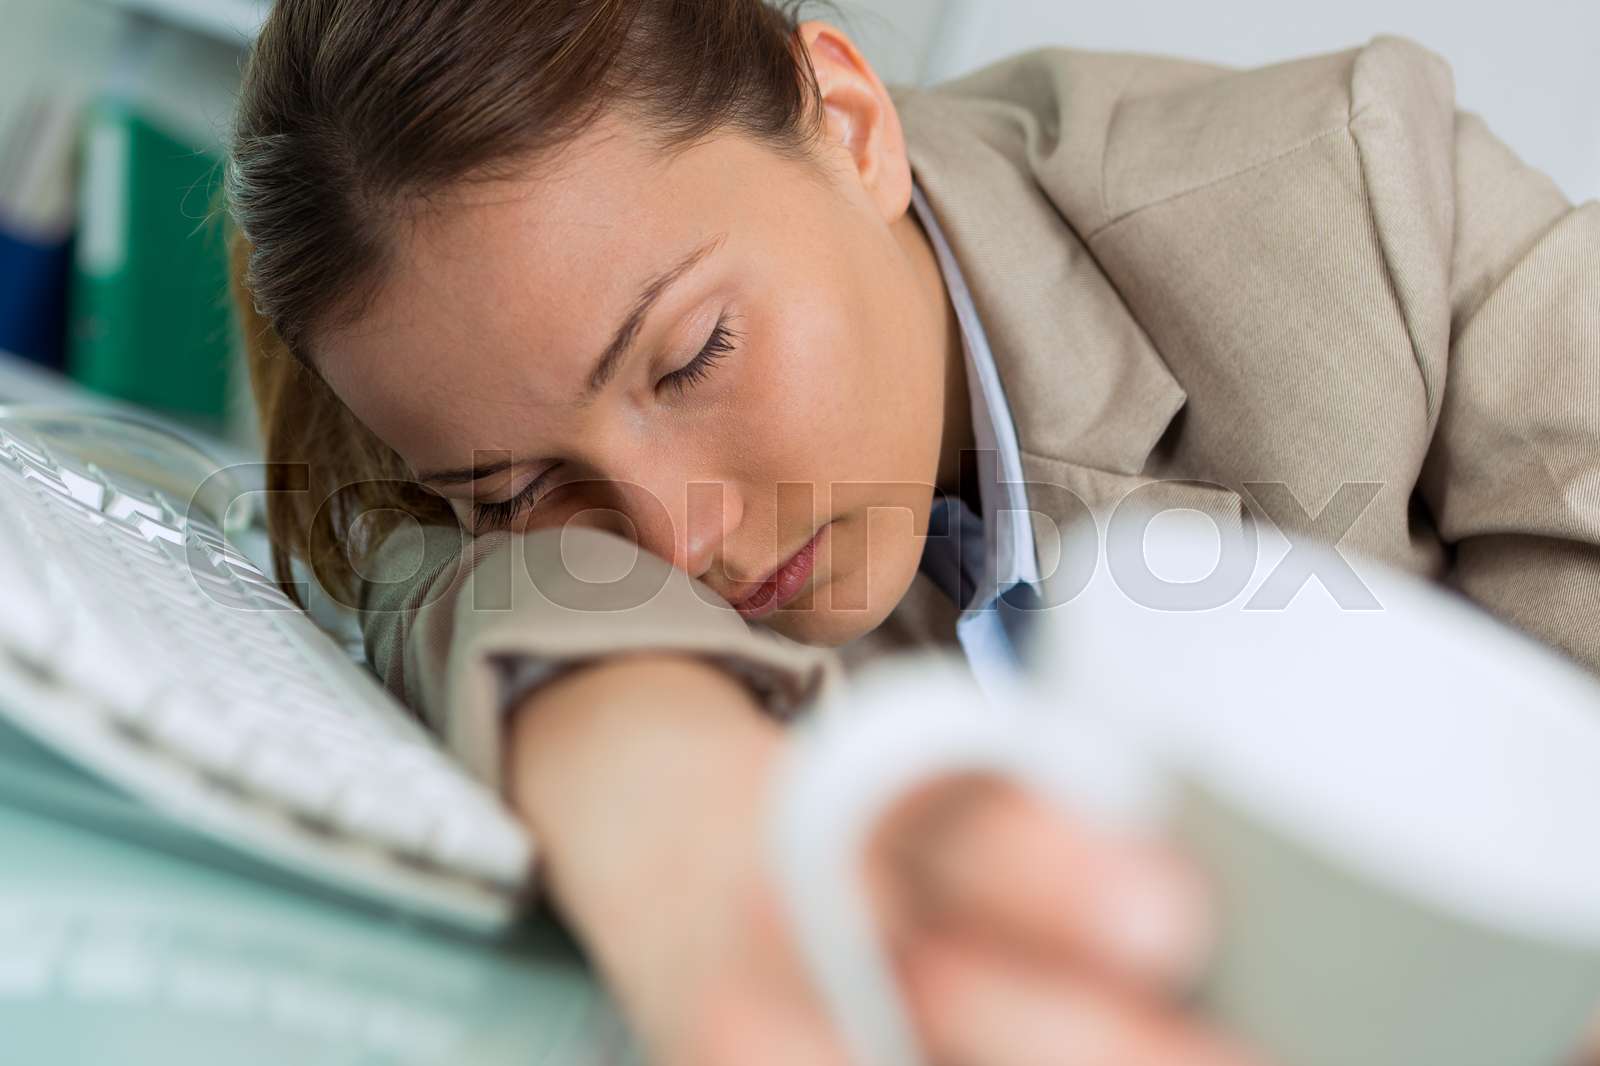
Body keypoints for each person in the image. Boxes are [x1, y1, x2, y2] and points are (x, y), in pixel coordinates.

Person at [225, 1, 1600, 1062]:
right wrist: (646, 765)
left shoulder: (1372, 207)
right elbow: (451, 584)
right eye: (516, 491)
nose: (675, 533)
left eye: (693, 353)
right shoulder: (503, 512)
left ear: (850, 120)